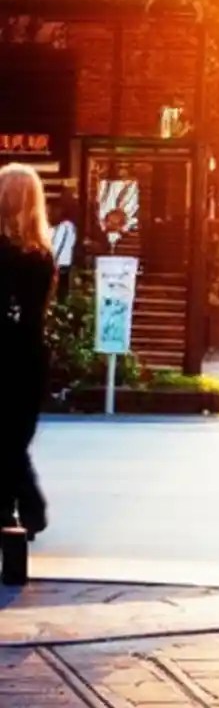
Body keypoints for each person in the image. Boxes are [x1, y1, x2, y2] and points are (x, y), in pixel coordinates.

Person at [0, 163, 54, 536]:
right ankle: (19, 512)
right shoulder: (42, 255)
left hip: (2, 351)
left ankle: (23, 508)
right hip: (29, 354)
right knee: (14, 437)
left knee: (6, 441)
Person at [50, 193, 77, 302]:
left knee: (60, 290)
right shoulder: (68, 226)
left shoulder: (65, 226)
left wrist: (52, 260)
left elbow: (58, 245)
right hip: (64, 263)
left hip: (60, 264)